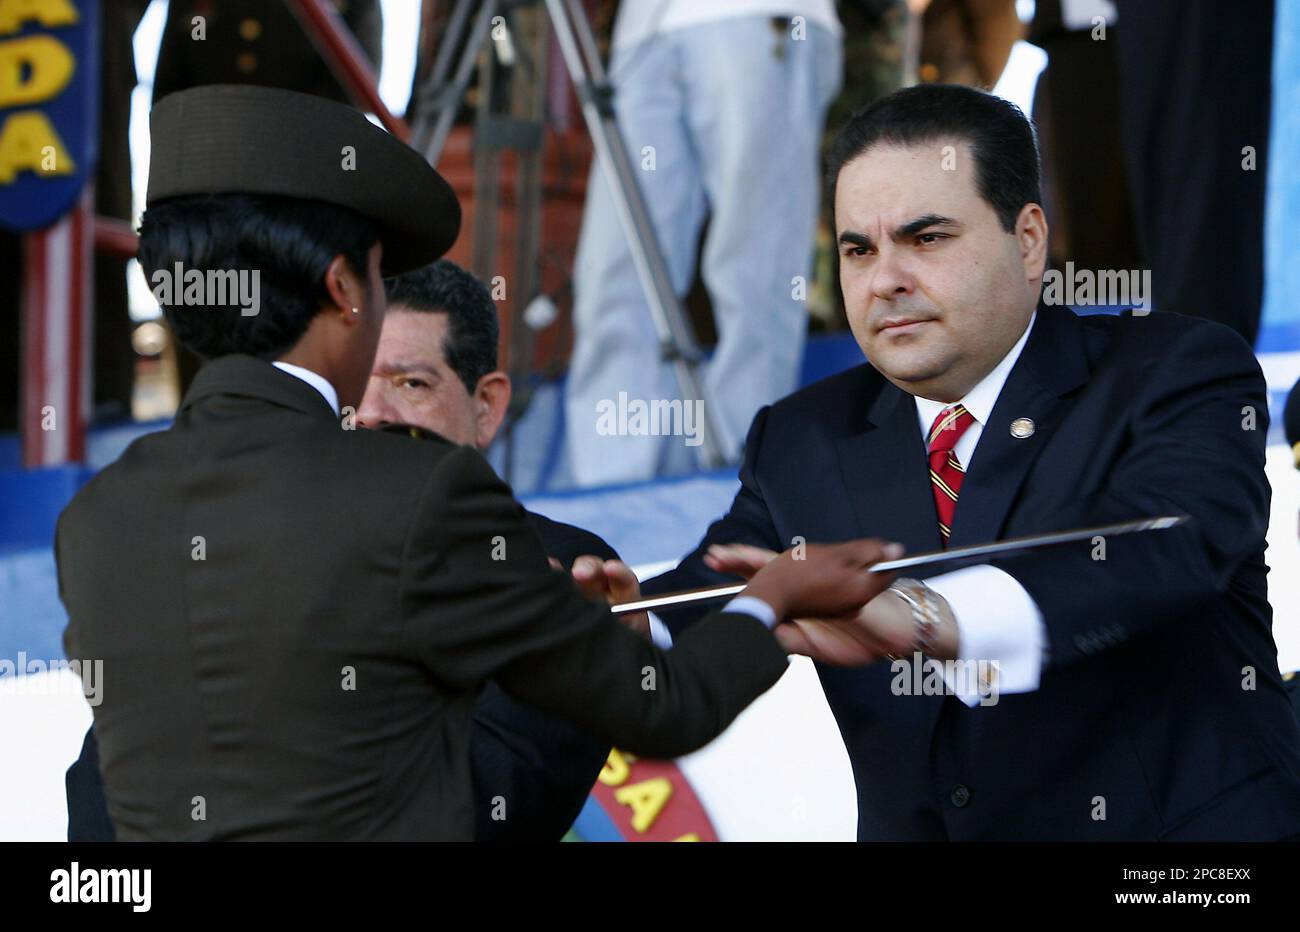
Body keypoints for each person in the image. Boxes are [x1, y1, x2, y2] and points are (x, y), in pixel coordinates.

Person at [56, 84, 899, 841]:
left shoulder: (97, 518)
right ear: (345, 288)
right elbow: (660, 706)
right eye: (381, 278)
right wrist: (770, 598)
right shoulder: (416, 492)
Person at [588, 83, 1300, 840]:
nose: (884, 279)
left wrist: (933, 618)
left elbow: (1167, 547)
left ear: (1028, 240)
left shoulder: (1175, 370)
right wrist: (629, 629)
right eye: (858, 249)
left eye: (926, 238)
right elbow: (723, 591)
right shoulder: (803, 437)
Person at [66, 260, 624, 841]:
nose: (374, 412)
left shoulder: (558, 570)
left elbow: (488, 805)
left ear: (486, 406)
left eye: (412, 383)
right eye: (349, 388)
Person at [564, 0, 844, 483]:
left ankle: (742, 486)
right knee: (617, 270)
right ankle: (610, 494)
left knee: (758, 267)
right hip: (643, 29)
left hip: (760, 14)